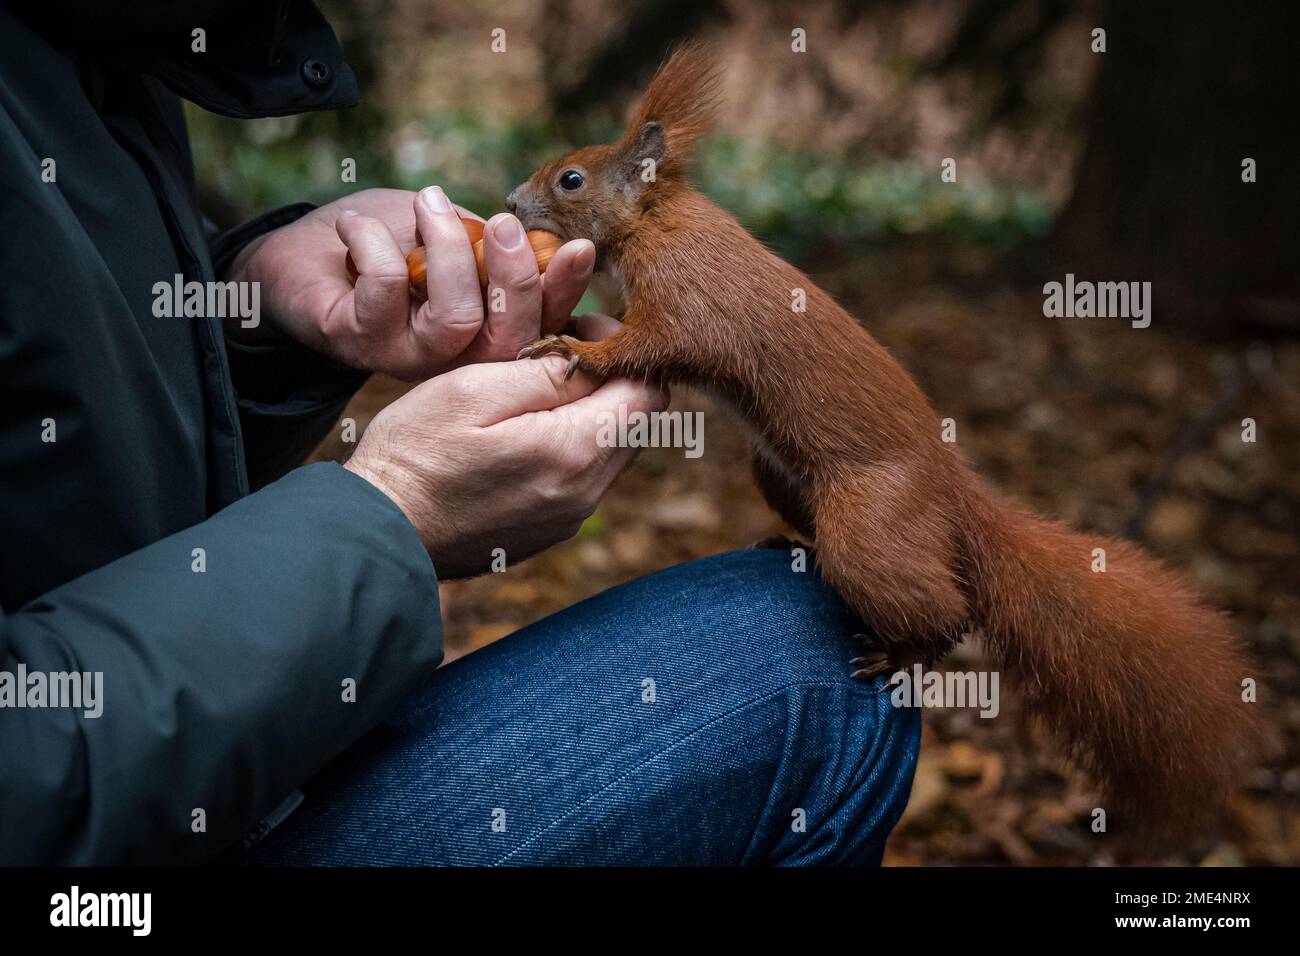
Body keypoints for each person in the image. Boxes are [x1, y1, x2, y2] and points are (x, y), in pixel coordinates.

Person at [0, 0, 919, 865]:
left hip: (225, 747)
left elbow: (90, 462)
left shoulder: (76, 49)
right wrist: (385, 517)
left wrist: (249, 304)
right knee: (830, 687)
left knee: (806, 625)